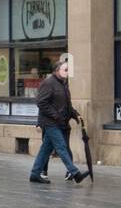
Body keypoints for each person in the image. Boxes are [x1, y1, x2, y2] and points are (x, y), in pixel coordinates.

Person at [31, 56, 87, 184]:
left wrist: (76, 115)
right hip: (51, 123)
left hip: (60, 123)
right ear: (57, 70)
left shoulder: (63, 85)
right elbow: (41, 102)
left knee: (45, 149)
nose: (67, 72)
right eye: (65, 69)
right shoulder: (48, 83)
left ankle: (35, 174)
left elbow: (67, 105)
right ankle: (75, 173)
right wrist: (55, 115)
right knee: (61, 147)